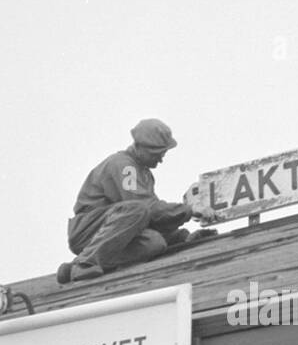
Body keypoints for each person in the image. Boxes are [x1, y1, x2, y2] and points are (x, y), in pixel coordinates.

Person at [57, 118, 219, 283]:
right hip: (87, 230)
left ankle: (81, 267)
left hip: (112, 232)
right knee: (138, 209)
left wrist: (181, 239)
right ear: (140, 148)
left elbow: (152, 219)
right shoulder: (124, 166)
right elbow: (148, 209)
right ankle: (84, 264)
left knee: (154, 243)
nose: (161, 159)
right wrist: (189, 209)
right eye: (157, 154)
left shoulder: (143, 173)